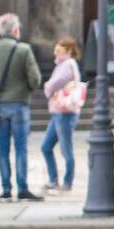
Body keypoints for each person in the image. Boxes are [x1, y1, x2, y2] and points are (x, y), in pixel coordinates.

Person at [0, 12, 43, 201]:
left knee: (2, 149)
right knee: (21, 148)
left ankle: (5, 189)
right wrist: (24, 89)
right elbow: (35, 80)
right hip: (19, 105)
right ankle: (22, 189)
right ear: (16, 30)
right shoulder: (24, 50)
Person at [41, 37, 84, 192]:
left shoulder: (67, 64)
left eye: (58, 50)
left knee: (66, 149)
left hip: (65, 112)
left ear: (68, 51)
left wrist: (47, 87)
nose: (55, 53)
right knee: (46, 147)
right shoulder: (63, 64)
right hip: (59, 112)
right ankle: (53, 180)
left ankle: (67, 182)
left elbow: (55, 83)